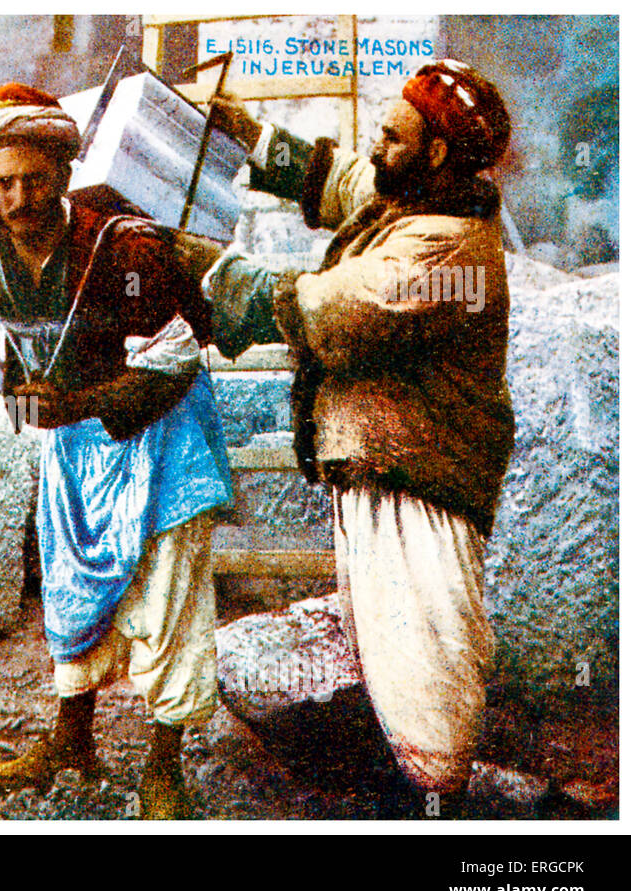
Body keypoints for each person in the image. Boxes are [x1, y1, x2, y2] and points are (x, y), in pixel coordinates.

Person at [205, 60, 514, 812]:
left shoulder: (448, 249)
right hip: (385, 472)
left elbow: (334, 309)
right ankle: (423, 790)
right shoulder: (412, 199)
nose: (376, 146)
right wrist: (249, 133)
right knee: (394, 642)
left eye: (391, 136)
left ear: (436, 153)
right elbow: (348, 183)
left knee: (428, 657)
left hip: (423, 488)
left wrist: (214, 277)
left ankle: (445, 805)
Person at [0, 83, 233, 819]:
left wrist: (77, 404)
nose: (21, 197)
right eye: (4, 183)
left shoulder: (123, 247)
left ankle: (164, 767)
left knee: (166, 599)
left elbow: (172, 364)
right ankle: (73, 740)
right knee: (69, 588)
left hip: (161, 431)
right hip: (72, 440)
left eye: (36, 179)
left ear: (65, 175)